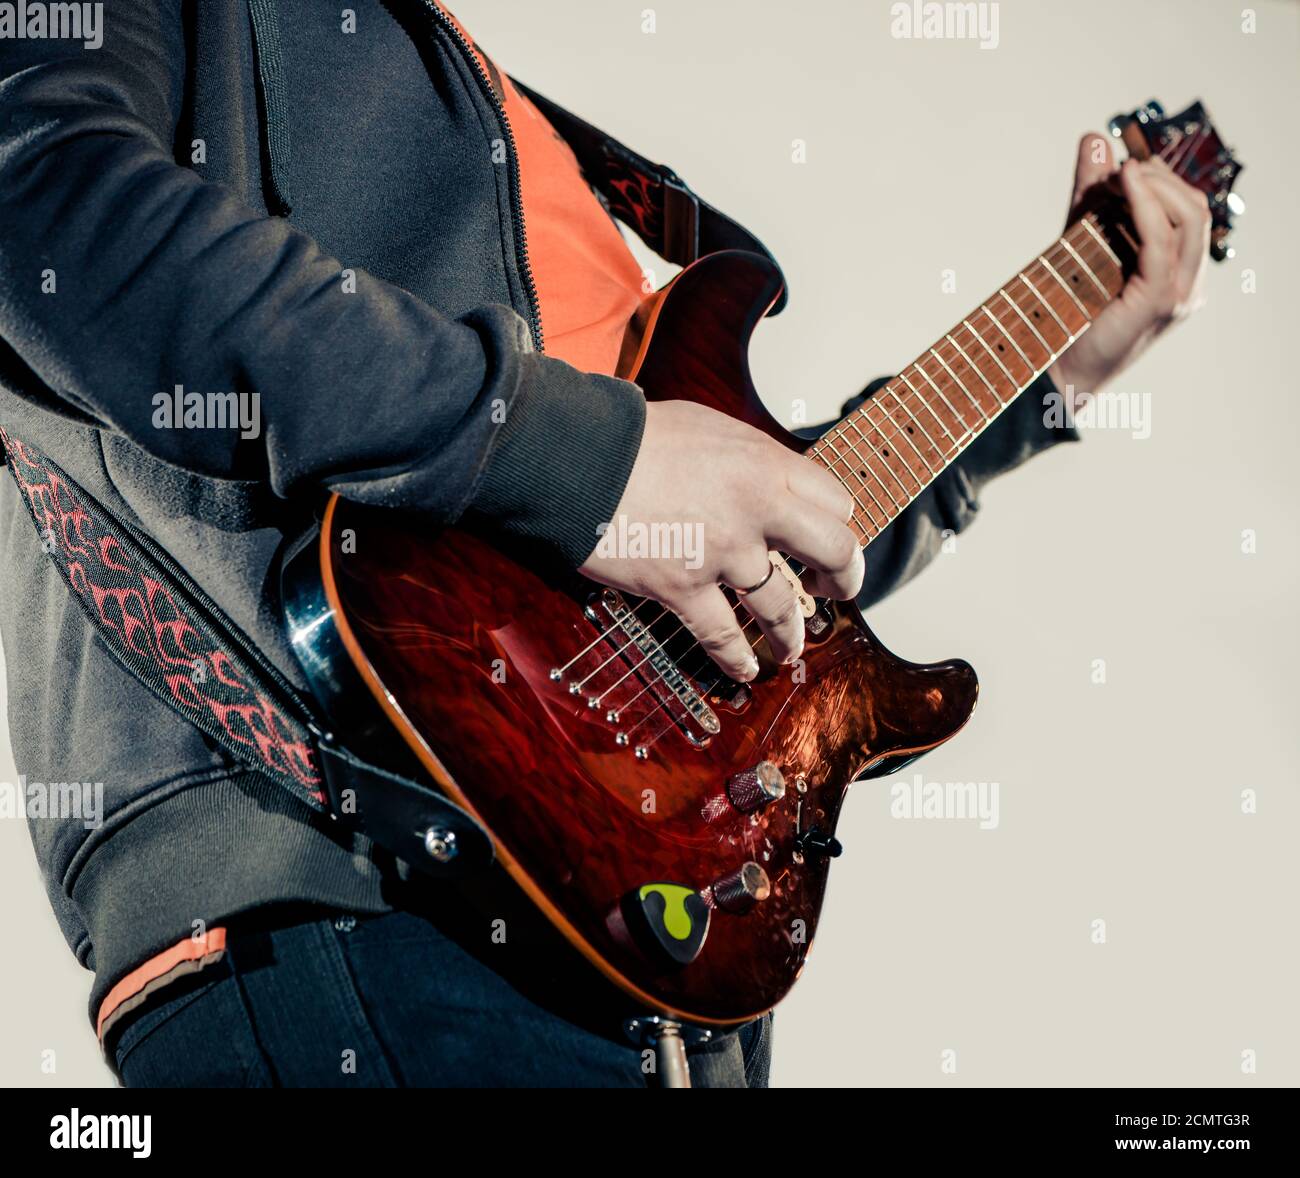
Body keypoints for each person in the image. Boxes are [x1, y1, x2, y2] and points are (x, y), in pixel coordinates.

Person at [0, 1, 1208, 1088]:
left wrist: (1054, 376)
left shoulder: (526, 135)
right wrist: (594, 461)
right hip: (344, 894)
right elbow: (40, 202)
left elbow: (759, 554)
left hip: (664, 969)